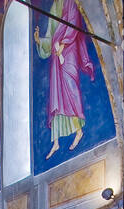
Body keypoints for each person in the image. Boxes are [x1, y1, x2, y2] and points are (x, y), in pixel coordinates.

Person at [34, 0, 95, 159]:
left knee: (71, 87)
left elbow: (74, 22)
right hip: (56, 57)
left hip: (68, 53)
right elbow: (51, 34)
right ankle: (55, 142)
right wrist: (40, 41)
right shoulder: (54, 7)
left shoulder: (71, 2)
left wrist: (64, 42)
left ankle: (79, 131)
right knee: (57, 98)